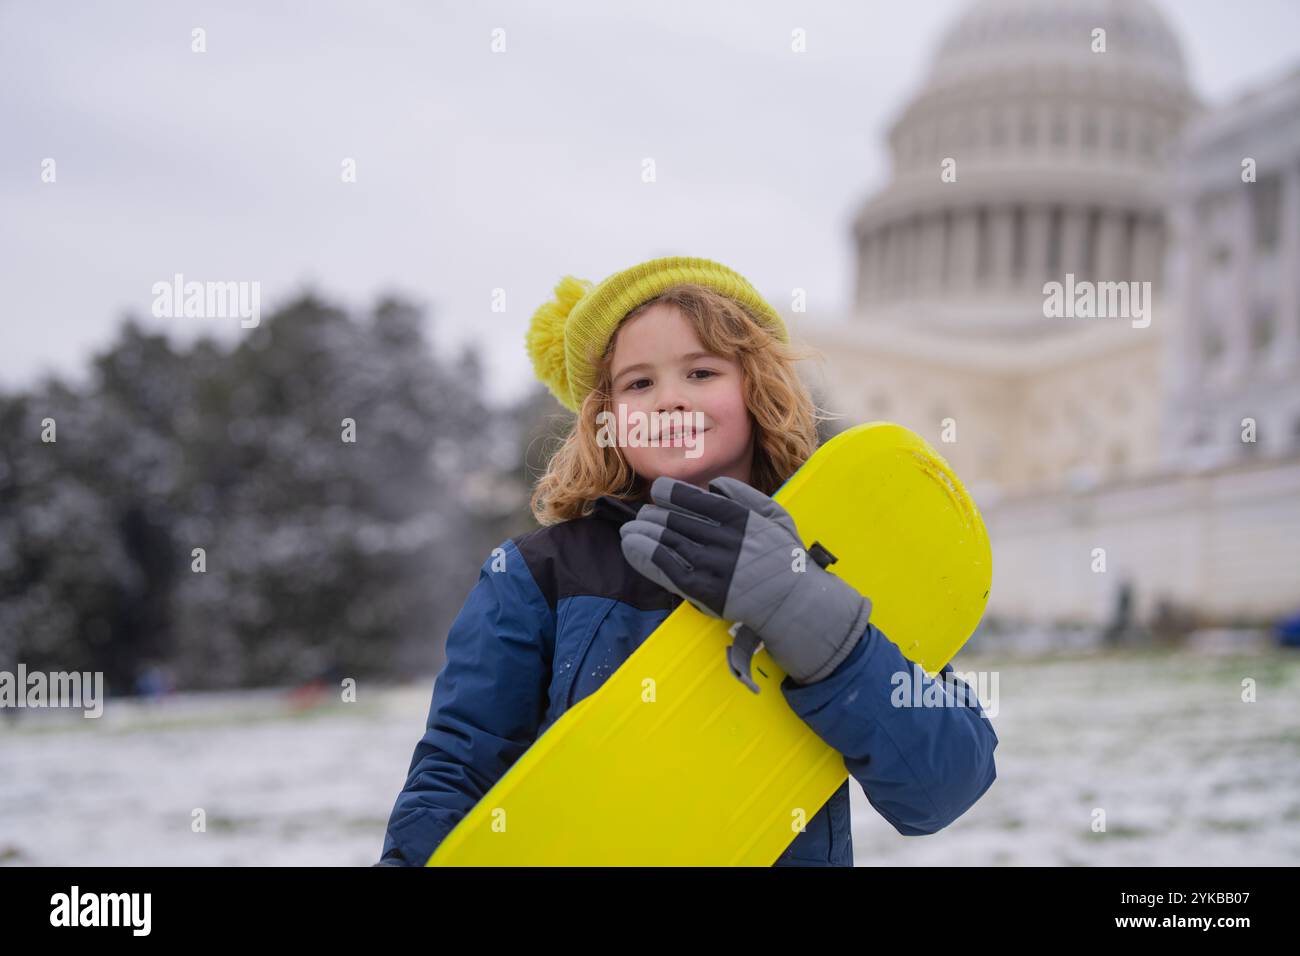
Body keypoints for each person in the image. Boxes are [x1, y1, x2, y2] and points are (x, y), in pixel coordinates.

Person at [376, 256, 998, 866]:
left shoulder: (834, 554)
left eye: (701, 373)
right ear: (609, 420)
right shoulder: (538, 575)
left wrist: (816, 621)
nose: (669, 401)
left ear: (757, 388)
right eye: (639, 383)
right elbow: (457, 769)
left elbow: (941, 789)